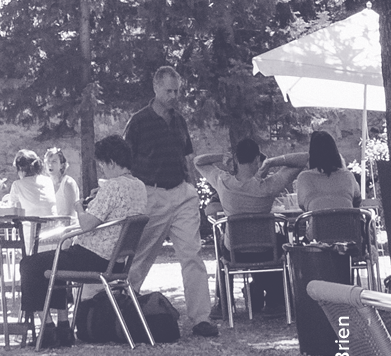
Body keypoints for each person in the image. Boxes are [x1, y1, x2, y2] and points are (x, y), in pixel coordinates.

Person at [19, 136, 147, 348]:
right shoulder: (139, 186)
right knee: (54, 262)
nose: (103, 170)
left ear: (112, 163)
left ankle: (49, 328)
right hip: (118, 260)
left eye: (103, 165)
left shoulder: (112, 186)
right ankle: (62, 326)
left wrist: (79, 205)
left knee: (31, 264)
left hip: (94, 257)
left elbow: (87, 223)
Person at [123, 66, 217, 338]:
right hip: (151, 193)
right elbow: (127, 162)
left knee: (192, 253)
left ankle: (201, 319)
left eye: (177, 91)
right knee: (141, 255)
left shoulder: (179, 120)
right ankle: (122, 305)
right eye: (169, 91)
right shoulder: (138, 121)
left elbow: (186, 155)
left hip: (181, 192)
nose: (174, 96)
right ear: (155, 87)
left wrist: (190, 187)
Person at [195, 138, 308, 319]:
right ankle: (277, 300)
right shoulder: (269, 185)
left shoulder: (222, 182)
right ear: (257, 160)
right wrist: (272, 162)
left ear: (236, 159)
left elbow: (198, 161)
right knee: (282, 240)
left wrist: (222, 157)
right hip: (266, 250)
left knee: (221, 242)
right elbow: (304, 158)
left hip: (235, 252)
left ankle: (223, 301)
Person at [295, 130, 361, 212]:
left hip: (318, 224)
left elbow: (302, 205)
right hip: (347, 224)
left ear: (311, 154)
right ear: (335, 152)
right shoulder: (348, 176)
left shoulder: (304, 178)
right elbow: (357, 200)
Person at [6, 150, 57, 217]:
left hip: (33, 226)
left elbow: (12, 210)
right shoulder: (48, 181)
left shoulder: (17, 185)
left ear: (20, 168)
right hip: (55, 225)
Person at [44, 147, 80, 225]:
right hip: (51, 230)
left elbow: (70, 216)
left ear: (62, 165)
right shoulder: (46, 184)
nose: (50, 164)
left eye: (54, 161)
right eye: (48, 161)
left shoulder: (68, 183)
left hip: (68, 231)